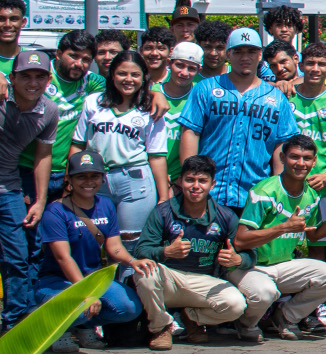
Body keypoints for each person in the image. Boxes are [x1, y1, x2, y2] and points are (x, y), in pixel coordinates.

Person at [129, 155, 252, 349]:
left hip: (203, 282)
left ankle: (192, 319)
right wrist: (166, 252)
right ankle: (161, 328)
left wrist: (237, 259)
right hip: (168, 279)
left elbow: (251, 255)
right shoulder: (163, 212)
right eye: (190, 180)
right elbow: (140, 250)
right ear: (180, 182)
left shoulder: (225, 216)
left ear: (212, 184)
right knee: (144, 272)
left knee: (236, 305)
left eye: (202, 181)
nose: (195, 186)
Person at [229, 135, 326, 341]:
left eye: (307, 158)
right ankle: (245, 323)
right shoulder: (263, 191)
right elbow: (240, 241)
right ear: (282, 158)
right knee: (265, 293)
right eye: (294, 157)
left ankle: (284, 317)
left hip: (282, 266)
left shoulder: (311, 195)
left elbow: (315, 235)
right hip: (250, 266)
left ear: (314, 161)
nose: (301, 163)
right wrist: (283, 227)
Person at [177, 28, 300, 214]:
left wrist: (279, 190)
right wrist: (190, 181)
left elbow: (280, 147)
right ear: (228, 54)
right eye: (238, 51)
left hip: (257, 193)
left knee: (249, 243)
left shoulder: (276, 98)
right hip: (209, 193)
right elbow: (191, 133)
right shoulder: (205, 89)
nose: (245, 57)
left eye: (251, 51)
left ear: (260, 55)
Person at [34, 151, 146, 354]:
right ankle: (59, 328)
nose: (88, 182)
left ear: (102, 178)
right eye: (81, 176)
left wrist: (133, 262)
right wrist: (86, 294)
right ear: (69, 180)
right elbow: (63, 257)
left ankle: (83, 326)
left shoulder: (106, 204)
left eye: (94, 176)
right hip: (57, 281)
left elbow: (114, 247)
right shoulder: (55, 211)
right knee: (77, 309)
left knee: (129, 308)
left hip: (94, 278)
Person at [71, 50, 169, 239]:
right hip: (95, 178)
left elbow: (157, 156)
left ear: (144, 77)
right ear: (112, 74)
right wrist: (71, 179)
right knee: (93, 238)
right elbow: (78, 144)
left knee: (130, 240)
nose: (128, 79)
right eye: (122, 73)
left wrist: (163, 198)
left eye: (135, 74)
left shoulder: (151, 108)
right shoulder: (94, 102)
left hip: (135, 180)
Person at [0, 50, 58, 333]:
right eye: (25, 76)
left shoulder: (48, 110)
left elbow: (43, 156)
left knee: (17, 257)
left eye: (40, 76)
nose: (32, 82)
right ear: (12, 78)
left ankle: (13, 325)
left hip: (8, 188)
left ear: (49, 79)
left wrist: (40, 200)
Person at [29, 31, 104, 200]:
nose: (79, 64)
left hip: (65, 172)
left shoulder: (92, 82)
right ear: (57, 54)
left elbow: (124, 91)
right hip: (28, 168)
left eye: (85, 59)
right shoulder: (38, 75)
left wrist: (154, 92)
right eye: (73, 56)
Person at [288, 42, 326, 192]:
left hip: (323, 186)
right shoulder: (287, 97)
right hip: (288, 182)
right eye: (310, 63)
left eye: (321, 64)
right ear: (301, 66)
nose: (315, 69)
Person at [158, 43, 202, 179]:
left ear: (199, 71)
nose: (184, 73)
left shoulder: (201, 96)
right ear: (168, 63)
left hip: (183, 178)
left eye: (191, 68)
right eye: (179, 65)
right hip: (151, 175)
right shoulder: (151, 93)